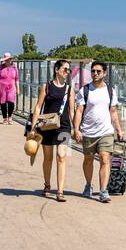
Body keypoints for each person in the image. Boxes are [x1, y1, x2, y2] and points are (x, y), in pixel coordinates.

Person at [73, 61, 124, 202]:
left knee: (105, 158)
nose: (95, 74)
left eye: (98, 71)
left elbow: (113, 112)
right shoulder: (84, 90)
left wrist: (119, 129)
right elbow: (79, 111)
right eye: (93, 71)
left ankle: (103, 191)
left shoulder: (110, 90)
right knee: (88, 160)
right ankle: (88, 185)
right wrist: (76, 129)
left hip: (106, 131)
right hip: (88, 131)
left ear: (104, 73)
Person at [29, 59, 76, 202]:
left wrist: (76, 129)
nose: (67, 72)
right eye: (65, 69)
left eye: (69, 70)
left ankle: (60, 191)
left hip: (64, 127)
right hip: (47, 126)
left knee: (62, 156)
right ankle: (47, 185)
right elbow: (38, 107)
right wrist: (33, 128)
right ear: (57, 70)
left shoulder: (70, 89)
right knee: (48, 158)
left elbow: (72, 111)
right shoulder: (47, 87)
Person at [0, 53, 19, 124]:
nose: (8, 61)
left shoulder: (14, 67)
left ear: (11, 59)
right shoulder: (0, 67)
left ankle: (10, 116)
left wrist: (18, 88)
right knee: (3, 103)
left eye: (9, 59)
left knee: (11, 101)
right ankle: (5, 118)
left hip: (11, 87)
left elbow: (17, 79)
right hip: (2, 87)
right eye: (6, 60)